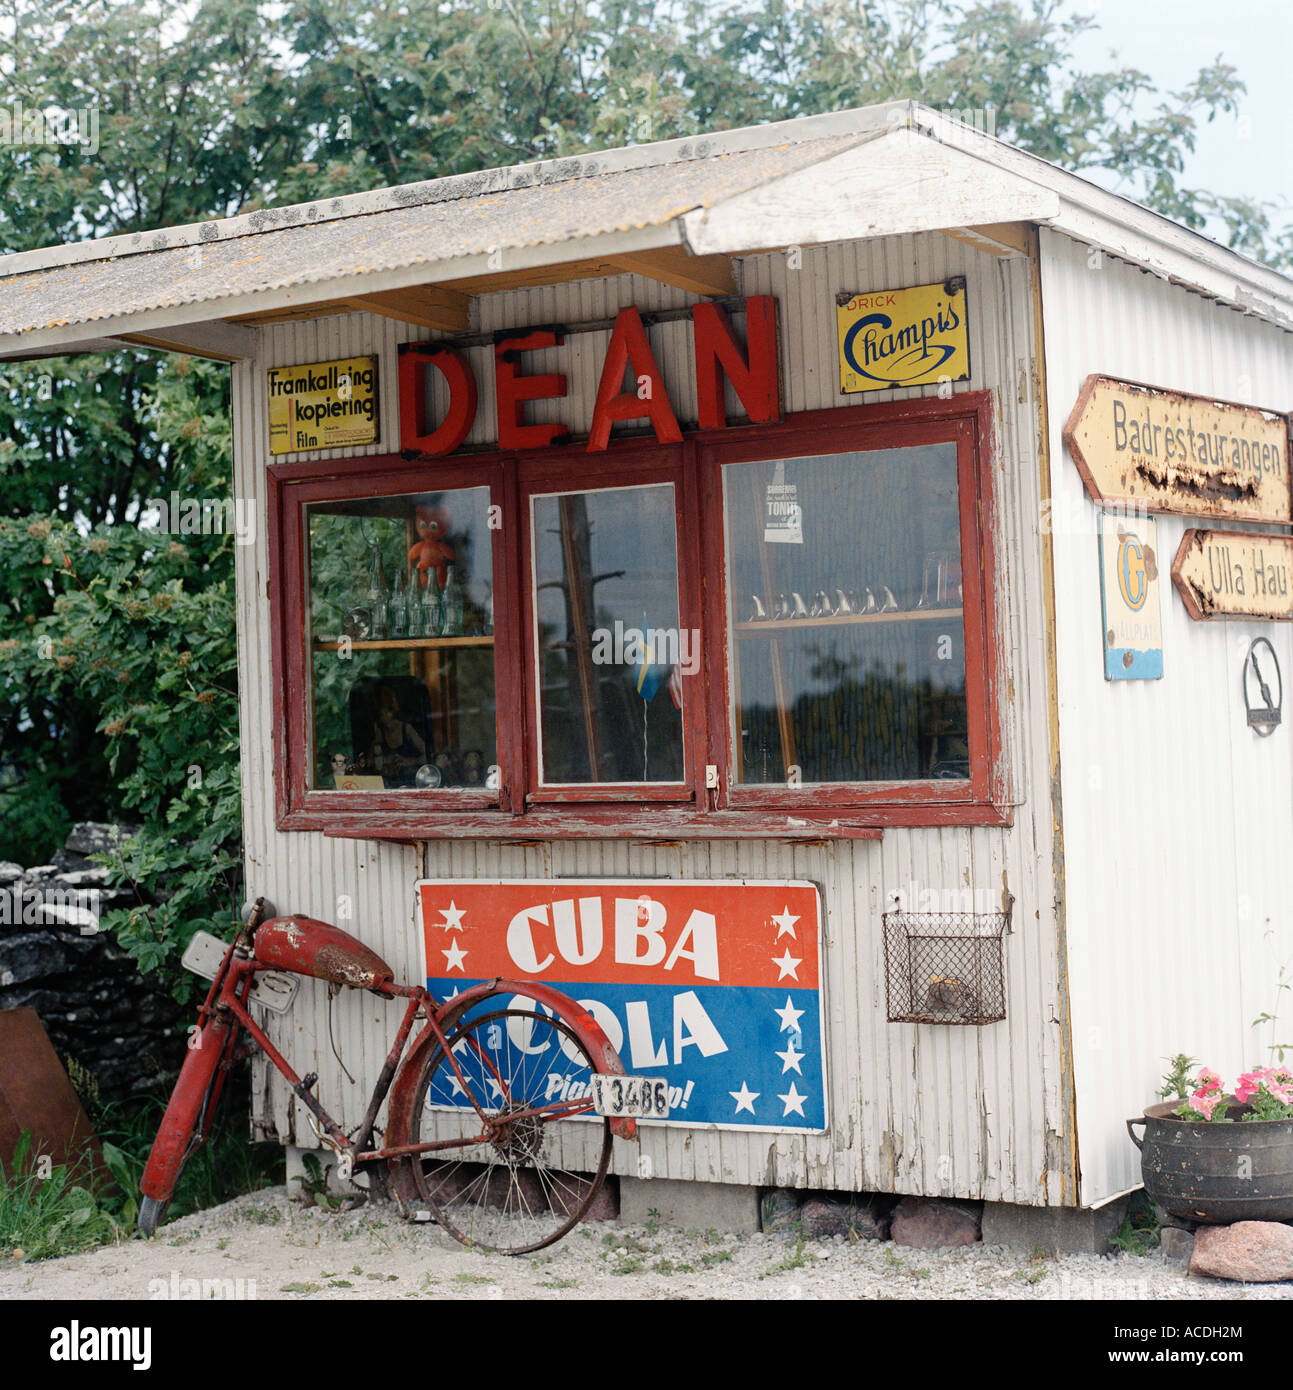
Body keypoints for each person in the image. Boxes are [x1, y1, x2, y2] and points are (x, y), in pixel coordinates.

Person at [369, 685, 426, 784]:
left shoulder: (407, 729)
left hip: (411, 780)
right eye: (379, 714)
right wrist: (386, 760)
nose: (381, 716)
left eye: (385, 712)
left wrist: (409, 761)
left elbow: (427, 755)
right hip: (389, 782)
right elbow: (370, 761)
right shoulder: (380, 732)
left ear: (392, 712)